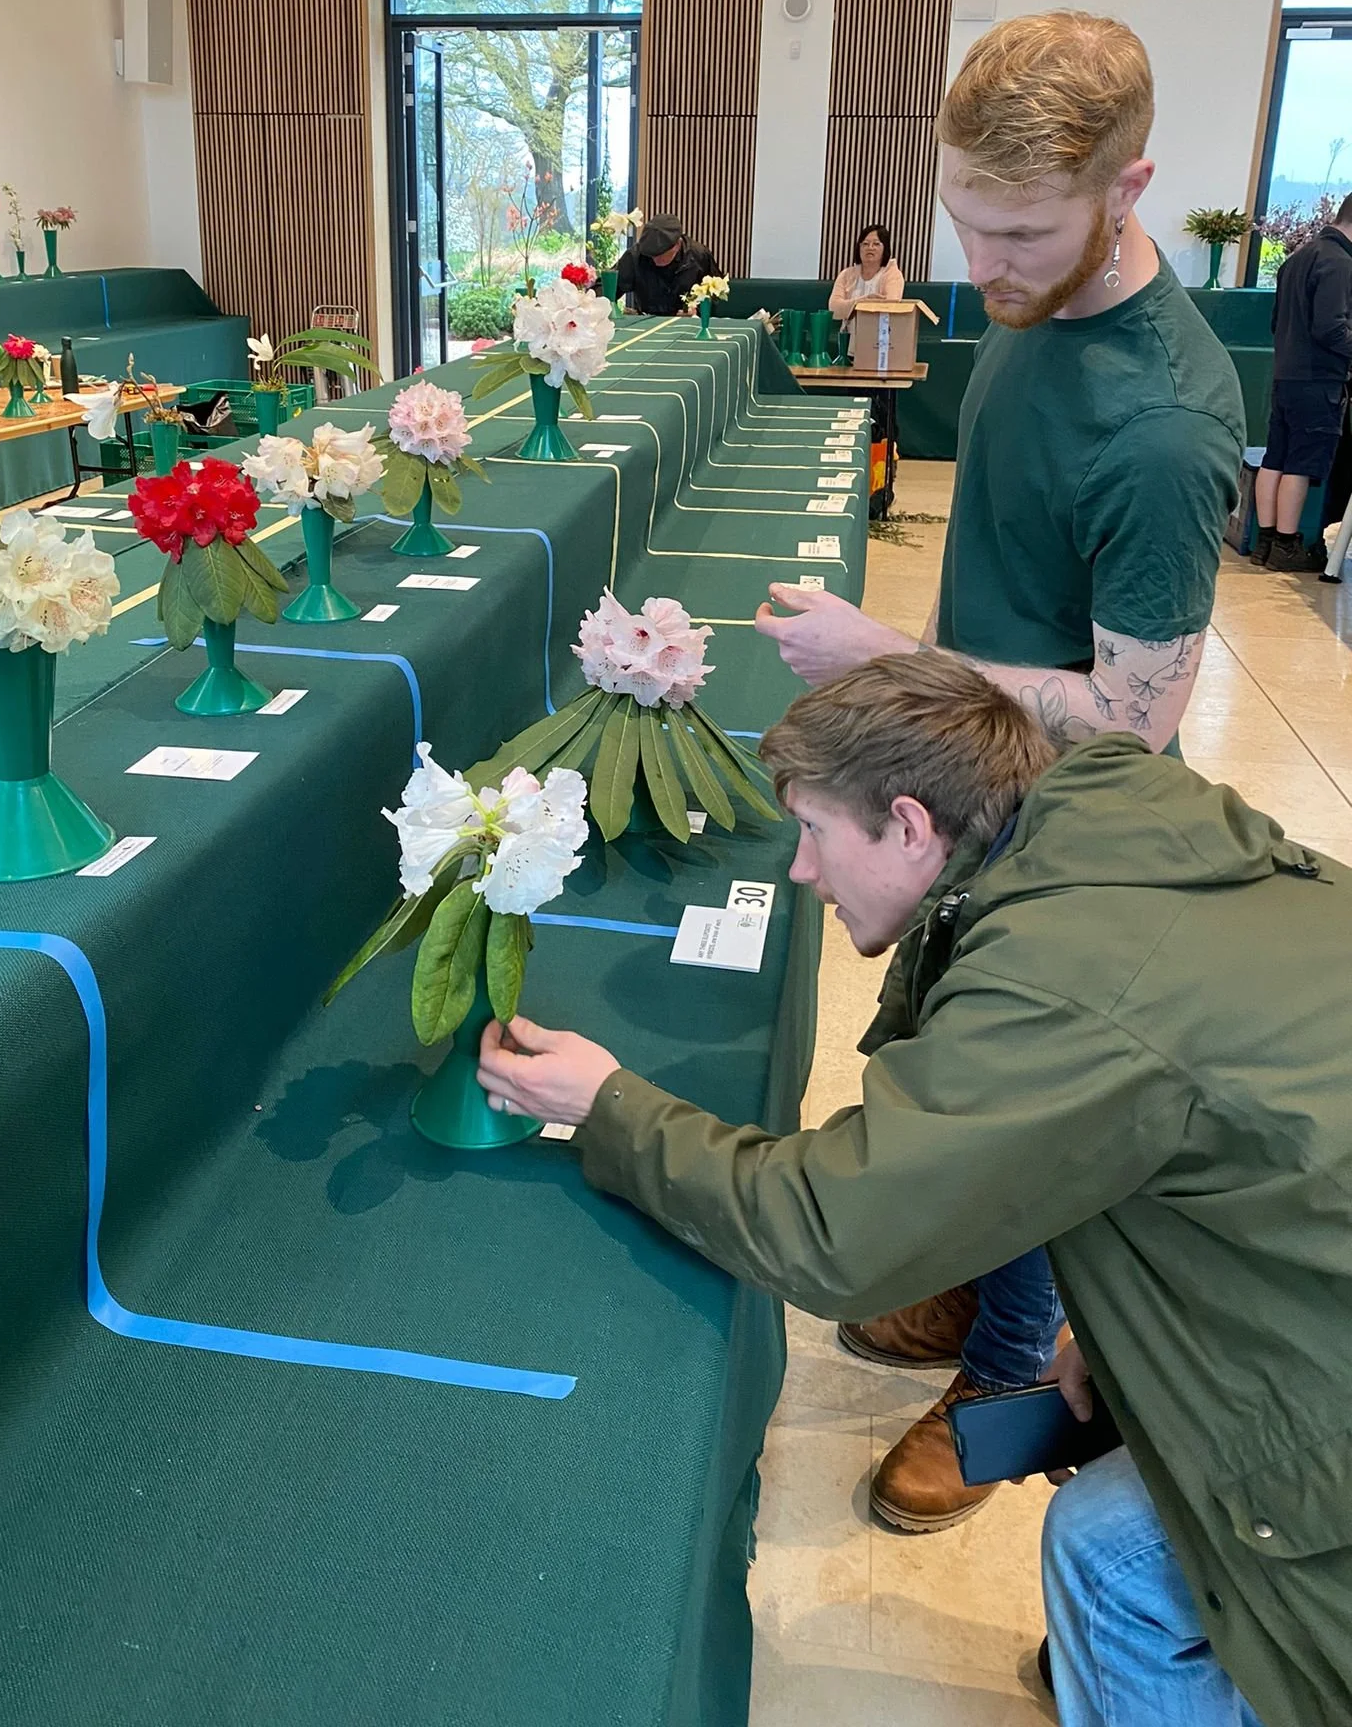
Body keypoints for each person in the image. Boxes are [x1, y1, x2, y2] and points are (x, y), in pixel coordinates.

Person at [476, 653, 1352, 1727]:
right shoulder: (1116, 832)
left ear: (908, 822)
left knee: (1125, 1565)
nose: (802, 870)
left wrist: (609, 1102)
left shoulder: (1064, 976)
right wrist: (1133, 1336)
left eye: (815, 832)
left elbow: (832, 1228)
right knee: (1106, 1550)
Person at [746, 12, 1247, 1533]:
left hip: (1074, 826)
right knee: (942, 1058)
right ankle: (977, 1303)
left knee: (1017, 1115)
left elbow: (1136, 719)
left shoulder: (1160, 429)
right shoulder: (1037, 310)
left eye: (1021, 230)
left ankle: (1015, 1369)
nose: (986, 264)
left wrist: (896, 660)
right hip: (985, 790)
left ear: (1131, 184)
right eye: (965, 218)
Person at [1251, 194, 1352, 572]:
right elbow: (1332, 328)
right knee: (1301, 464)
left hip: (1286, 374)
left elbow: (1277, 322)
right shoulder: (1340, 263)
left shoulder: (1298, 258)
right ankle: (1287, 547)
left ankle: (1264, 542)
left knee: (1274, 458)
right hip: (1319, 378)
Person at [611, 213, 722, 317]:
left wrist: (697, 309)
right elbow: (607, 288)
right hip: (646, 322)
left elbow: (718, 294)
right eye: (652, 255)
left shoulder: (698, 255)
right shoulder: (636, 255)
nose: (655, 260)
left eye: (661, 255)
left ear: (677, 245)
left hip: (688, 324)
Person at [827, 221, 905, 322]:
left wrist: (852, 306)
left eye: (876, 244)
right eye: (865, 244)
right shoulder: (846, 275)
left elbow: (890, 308)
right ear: (859, 248)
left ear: (885, 248)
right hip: (849, 334)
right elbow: (834, 309)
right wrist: (863, 302)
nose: (870, 248)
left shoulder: (893, 275)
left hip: (880, 334)